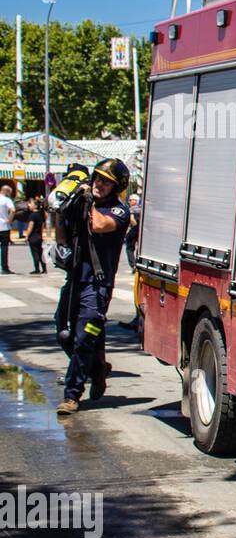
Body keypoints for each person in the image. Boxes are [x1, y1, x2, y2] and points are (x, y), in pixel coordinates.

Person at [55, 159, 131, 417]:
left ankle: (71, 395)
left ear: (117, 186)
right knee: (64, 335)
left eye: (106, 181)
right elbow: (61, 232)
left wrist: (88, 202)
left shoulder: (119, 211)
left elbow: (99, 226)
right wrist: (63, 209)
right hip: (75, 280)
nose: (99, 184)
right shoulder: (82, 203)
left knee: (83, 339)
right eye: (97, 178)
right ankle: (98, 370)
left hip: (97, 286)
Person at [13, 196, 47, 274]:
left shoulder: (32, 216)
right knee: (40, 253)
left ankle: (37, 269)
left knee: (35, 253)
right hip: (39, 236)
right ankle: (44, 269)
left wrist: (27, 236)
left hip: (33, 237)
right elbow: (42, 227)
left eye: (30, 204)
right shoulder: (40, 215)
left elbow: (30, 227)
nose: (28, 205)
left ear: (35, 206)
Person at [124, 193, 141, 270]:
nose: (129, 202)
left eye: (130, 200)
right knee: (140, 248)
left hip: (134, 230)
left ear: (135, 201)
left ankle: (133, 264)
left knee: (129, 248)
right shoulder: (142, 208)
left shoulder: (132, 209)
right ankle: (139, 263)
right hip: (141, 231)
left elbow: (131, 219)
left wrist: (134, 227)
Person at [0, 183, 14, 274]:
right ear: (7, 192)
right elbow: (13, 210)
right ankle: (5, 268)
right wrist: (9, 220)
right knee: (4, 247)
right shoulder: (6, 200)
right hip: (4, 226)